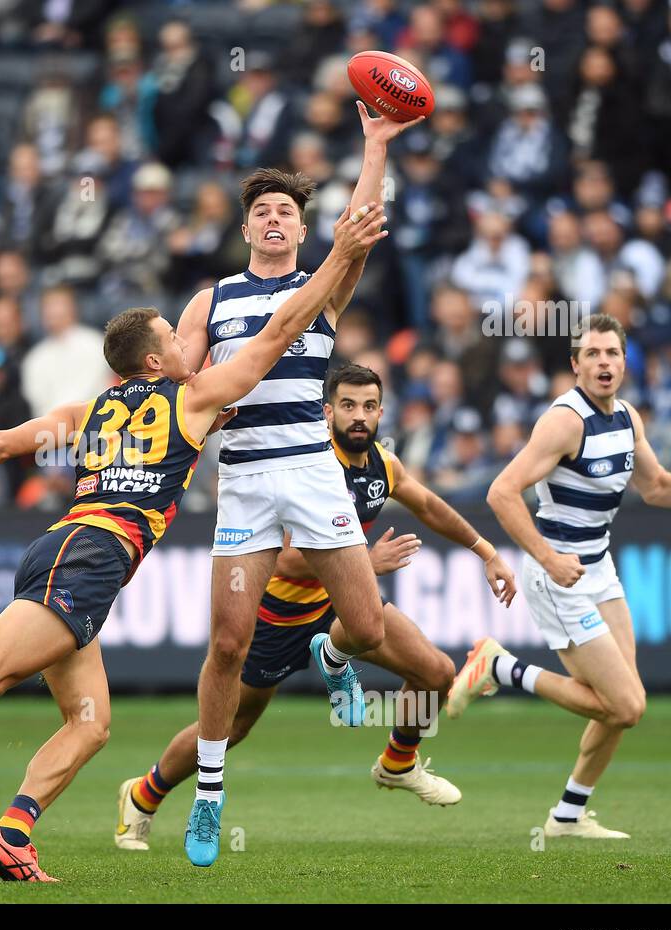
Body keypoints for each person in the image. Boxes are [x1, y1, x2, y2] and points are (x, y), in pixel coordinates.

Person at [0, 204, 389, 883]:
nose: (184, 343)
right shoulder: (190, 403)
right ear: (152, 359)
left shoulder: (88, 412)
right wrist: (340, 256)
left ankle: (13, 832)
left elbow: (0, 443)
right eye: (173, 336)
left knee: (90, 723)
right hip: (87, 560)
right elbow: (284, 329)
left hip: (66, 551)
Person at [115, 363, 517, 849]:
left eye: (369, 407)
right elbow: (281, 558)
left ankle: (397, 762)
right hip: (278, 614)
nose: (359, 417)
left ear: (381, 412)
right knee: (230, 726)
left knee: (434, 672)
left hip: (343, 601)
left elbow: (429, 507)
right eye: (348, 405)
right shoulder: (305, 464)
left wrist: (487, 552)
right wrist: (364, 562)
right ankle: (142, 794)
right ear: (326, 412)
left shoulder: (382, 466)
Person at [172, 103, 417, 867]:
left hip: (312, 474)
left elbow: (363, 220)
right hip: (244, 479)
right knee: (227, 645)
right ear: (245, 229)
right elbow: (181, 384)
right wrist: (210, 393)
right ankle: (209, 795)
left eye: (286, 211)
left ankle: (333, 658)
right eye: (262, 211)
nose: (275, 219)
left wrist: (374, 141)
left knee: (370, 629)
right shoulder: (211, 301)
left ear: (303, 230)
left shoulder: (326, 288)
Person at [449, 314, 671, 838]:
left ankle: (568, 816)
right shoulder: (564, 421)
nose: (603, 362)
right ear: (575, 364)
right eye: (592, 354)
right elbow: (501, 492)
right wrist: (548, 559)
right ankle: (500, 668)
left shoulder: (627, 418)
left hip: (600, 570)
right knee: (628, 705)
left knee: (618, 707)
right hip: (558, 576)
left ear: (624, 363)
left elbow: (658, 488)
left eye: (612, 353)